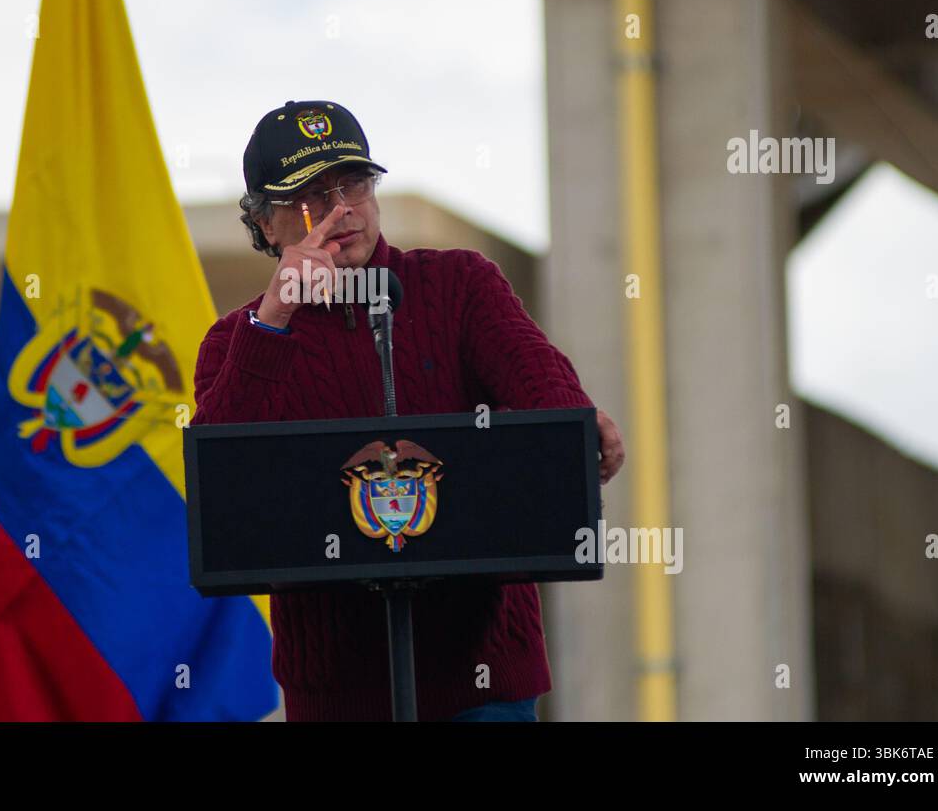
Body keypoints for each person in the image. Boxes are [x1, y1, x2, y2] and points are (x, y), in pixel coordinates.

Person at [190, 100, 625, 721]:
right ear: (266, 225)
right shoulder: (238, 340)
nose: (342, 210)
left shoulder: (461, 283)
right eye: (311, 195)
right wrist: (277, 317)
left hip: (485, 680)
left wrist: (577, 424)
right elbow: (221, 489)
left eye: (355, 184)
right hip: (339, 694)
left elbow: (542, 385)